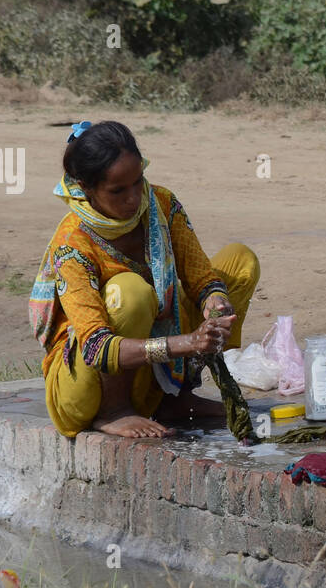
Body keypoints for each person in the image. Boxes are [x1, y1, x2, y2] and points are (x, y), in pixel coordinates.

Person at [30, 121, 260, 439]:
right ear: (86, 188)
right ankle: (116, 409)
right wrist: (187, 343)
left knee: (239, 260)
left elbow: (201, 278)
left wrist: (214, 301)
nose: (133, 198)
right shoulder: (73, 242)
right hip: (86, 391)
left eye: (138, 182)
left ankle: (174, 399)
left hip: (150, 376)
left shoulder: (162, 205)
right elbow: (96, 348)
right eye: (117, 191)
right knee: (131, 291)